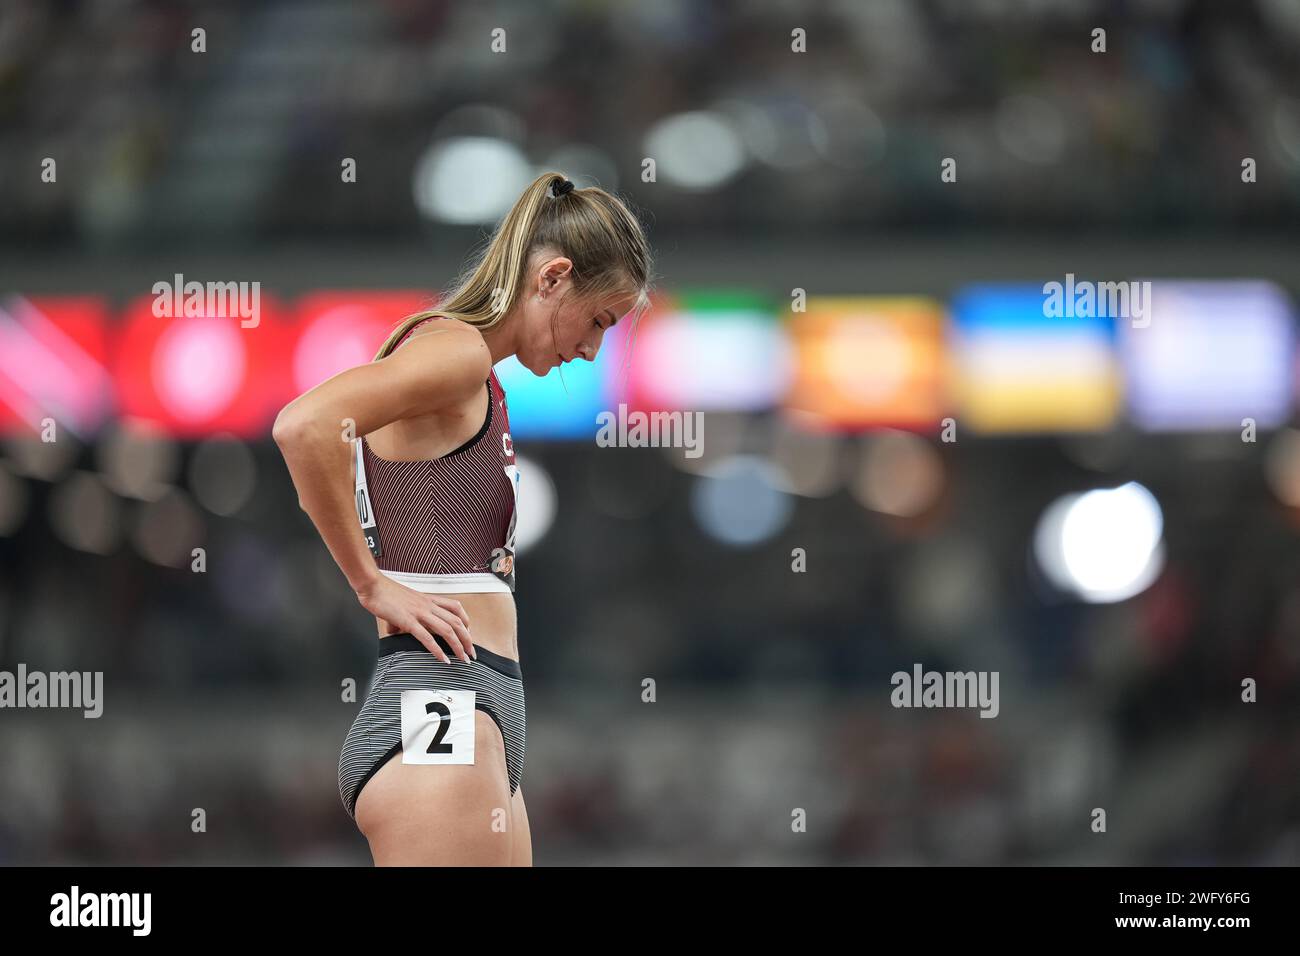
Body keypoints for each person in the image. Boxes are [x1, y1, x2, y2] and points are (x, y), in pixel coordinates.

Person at [273, 172, 652, 865]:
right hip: (440, 704)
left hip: (470, 711)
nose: (593, 349)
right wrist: (369, 584)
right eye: (598, 320)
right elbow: (306, 425)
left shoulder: (478, 373)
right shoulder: (457, 352)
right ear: (553, 277)